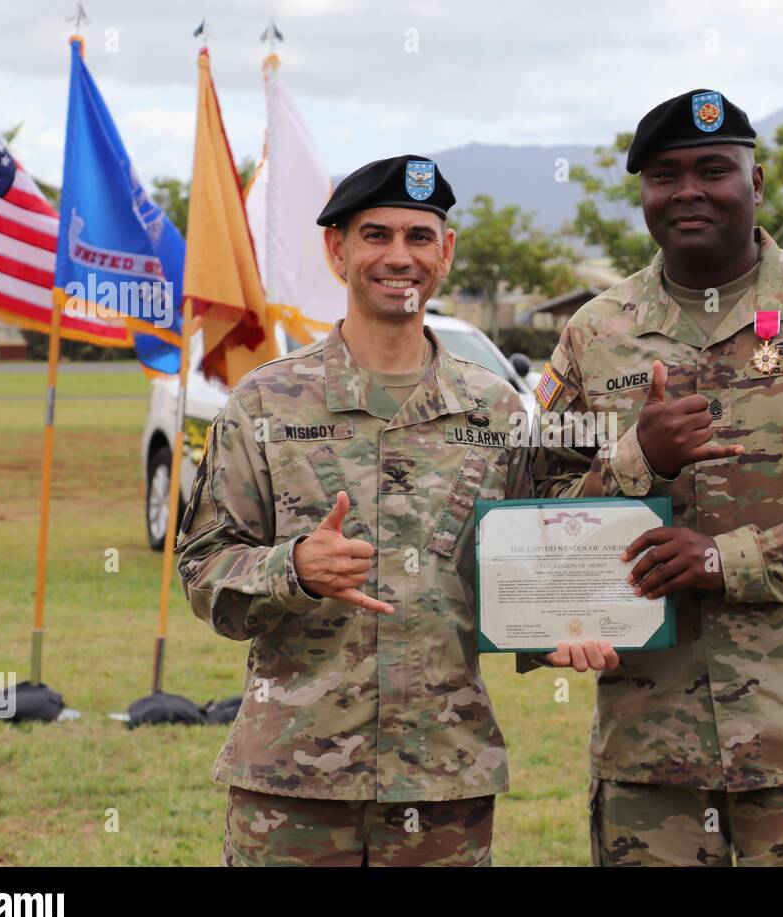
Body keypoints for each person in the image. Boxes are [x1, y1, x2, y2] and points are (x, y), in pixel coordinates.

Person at [526, 90, 783, 866]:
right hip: (652, 749)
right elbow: (532, 516)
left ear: (756, 185)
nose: (688, 190)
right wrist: (637, 462)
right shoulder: (595, 336)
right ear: (644, 195)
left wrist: (733, 560)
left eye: (713, 170)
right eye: (665, 175)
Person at [176, 155, 530, 866]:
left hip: (442, 780)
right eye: (376, 235)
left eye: (419, 237)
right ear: (337, 250)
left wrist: (574, 625)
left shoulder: (494, 410)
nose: (399, 257)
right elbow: (203, 572)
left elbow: (529, 563)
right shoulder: (266, 404)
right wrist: (293, 569)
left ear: (446, 252)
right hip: (293, 781)